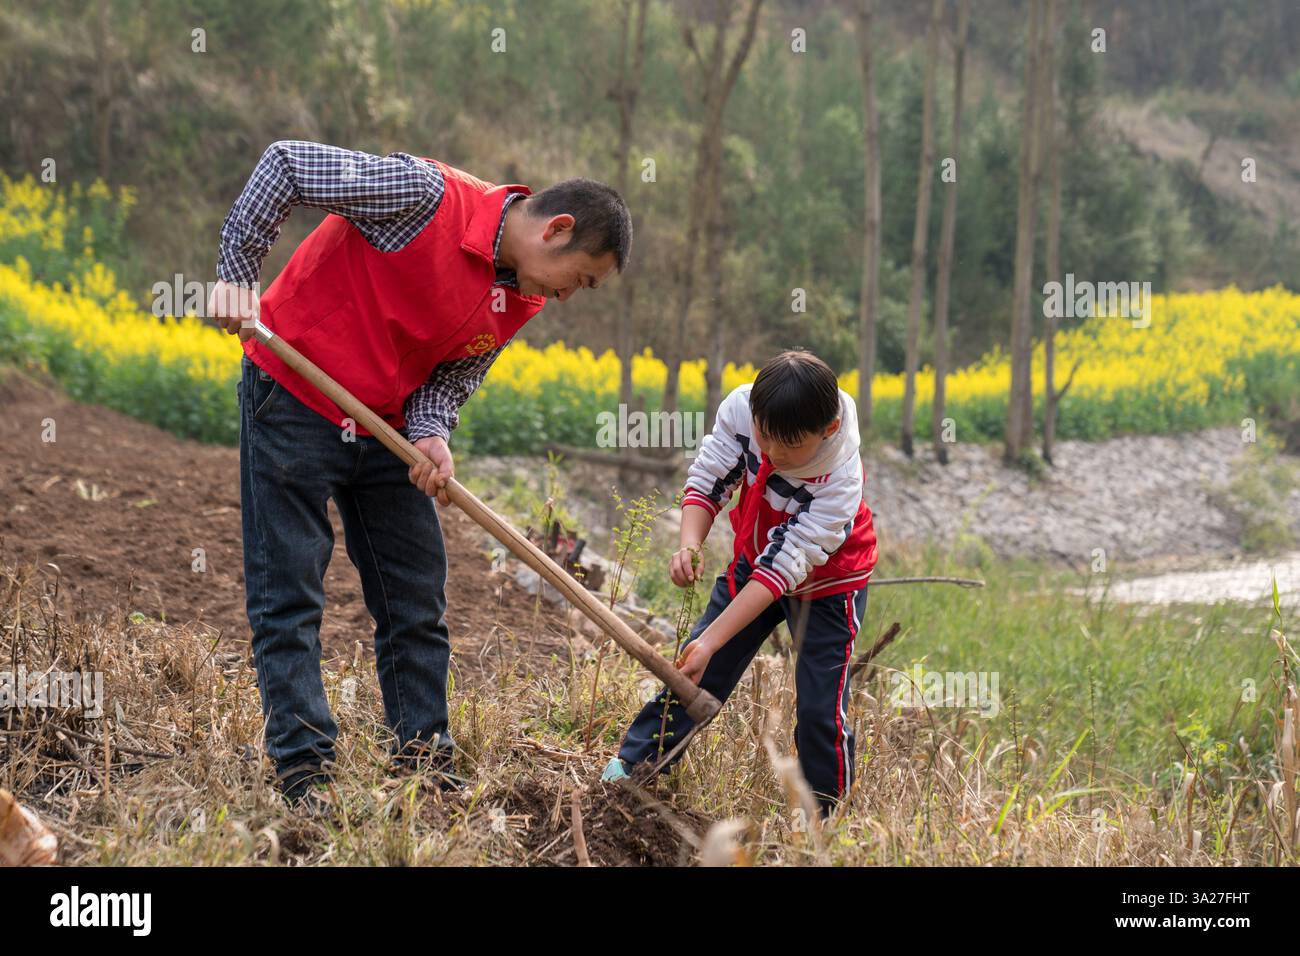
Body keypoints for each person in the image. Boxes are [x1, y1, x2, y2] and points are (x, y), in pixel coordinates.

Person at [209, 140, 631, 807]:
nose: (569, 296)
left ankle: (424, 765)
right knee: (288, 594)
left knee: (415, 601)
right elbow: (286, 165)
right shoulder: (423, 196)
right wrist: (237, 270)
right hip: (293, 395)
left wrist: (431, 434)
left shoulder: (520, 295)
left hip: (387, 428)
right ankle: (306, 774)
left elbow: (457, 371)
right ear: (556, 230)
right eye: (580, 278)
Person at [603, 350, 878, 815]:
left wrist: (713, 639)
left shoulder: (840, 479)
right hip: (756, 559)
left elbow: (784, 569)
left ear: (827, 430)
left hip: (828, 585)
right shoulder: (742, 410)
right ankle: (630, 771)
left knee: (818, 709)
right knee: (696, 668)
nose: (771, 454)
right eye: (764, 438)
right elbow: (711, 476)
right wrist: (690, 541)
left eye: (788, 448)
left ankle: (824, 818)